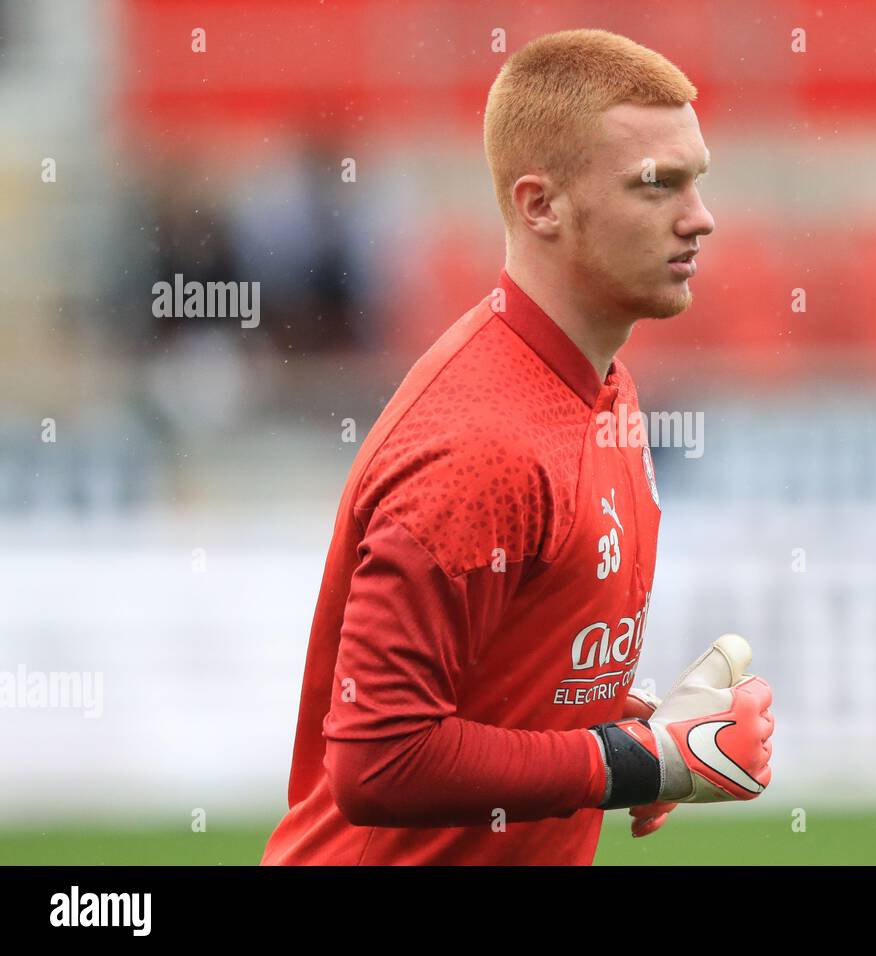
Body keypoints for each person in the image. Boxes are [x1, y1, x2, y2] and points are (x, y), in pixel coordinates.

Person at [262, 28, 773, 866]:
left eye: (698, 180)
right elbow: (380, 760)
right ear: (540, 206)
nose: (700, 217)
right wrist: (639, 764)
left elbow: (502, 687)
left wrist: (641, 738)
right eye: (657, 184)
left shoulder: (605, 388)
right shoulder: (479, 444)